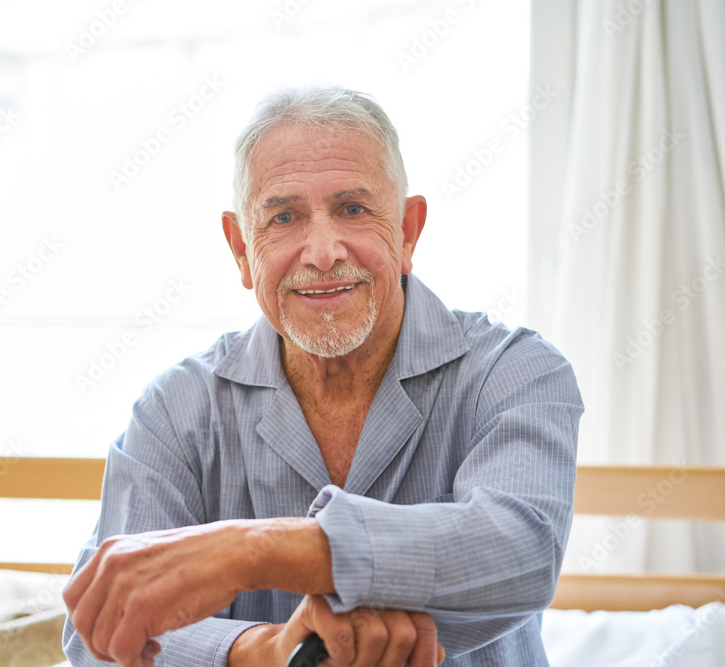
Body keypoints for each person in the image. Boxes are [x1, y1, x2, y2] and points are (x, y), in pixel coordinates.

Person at [62, 86, 583, 667]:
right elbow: (94, 636)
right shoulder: (175, 409)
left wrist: (251, 552)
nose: (322, 251)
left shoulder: (515, 372)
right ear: (241, 249)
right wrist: (267, 649)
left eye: (352, 209)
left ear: (408, 231)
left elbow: (520, 551)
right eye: (284, 217)